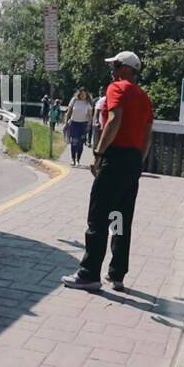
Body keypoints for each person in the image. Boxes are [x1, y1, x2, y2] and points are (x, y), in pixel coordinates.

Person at [62, 51, 154, 292]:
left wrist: (100, 155)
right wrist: (138, 163)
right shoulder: (145, 97)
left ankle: (89, 273)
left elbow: (114, 120)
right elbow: (147, 135)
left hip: (115, 157)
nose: (112, 70)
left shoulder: (117, 88)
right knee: (120, 219)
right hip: (133, 162)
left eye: (115, 66)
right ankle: (116, 274)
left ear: (124, 68)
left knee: (98, 217)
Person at [65, 88, 94, 167]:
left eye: (84, 94)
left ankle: (78, 160)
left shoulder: (88, 103)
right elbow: (69, 112)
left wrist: (89, 125)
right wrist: (66, 123)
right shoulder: (74, 100)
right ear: (79, 94)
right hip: (74, 123)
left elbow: (90, 116)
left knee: (80, 143)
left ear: (86, 95)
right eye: (81, 94)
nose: (83, 96)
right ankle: (73, 159)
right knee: (74, 142)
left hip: (83, 125)